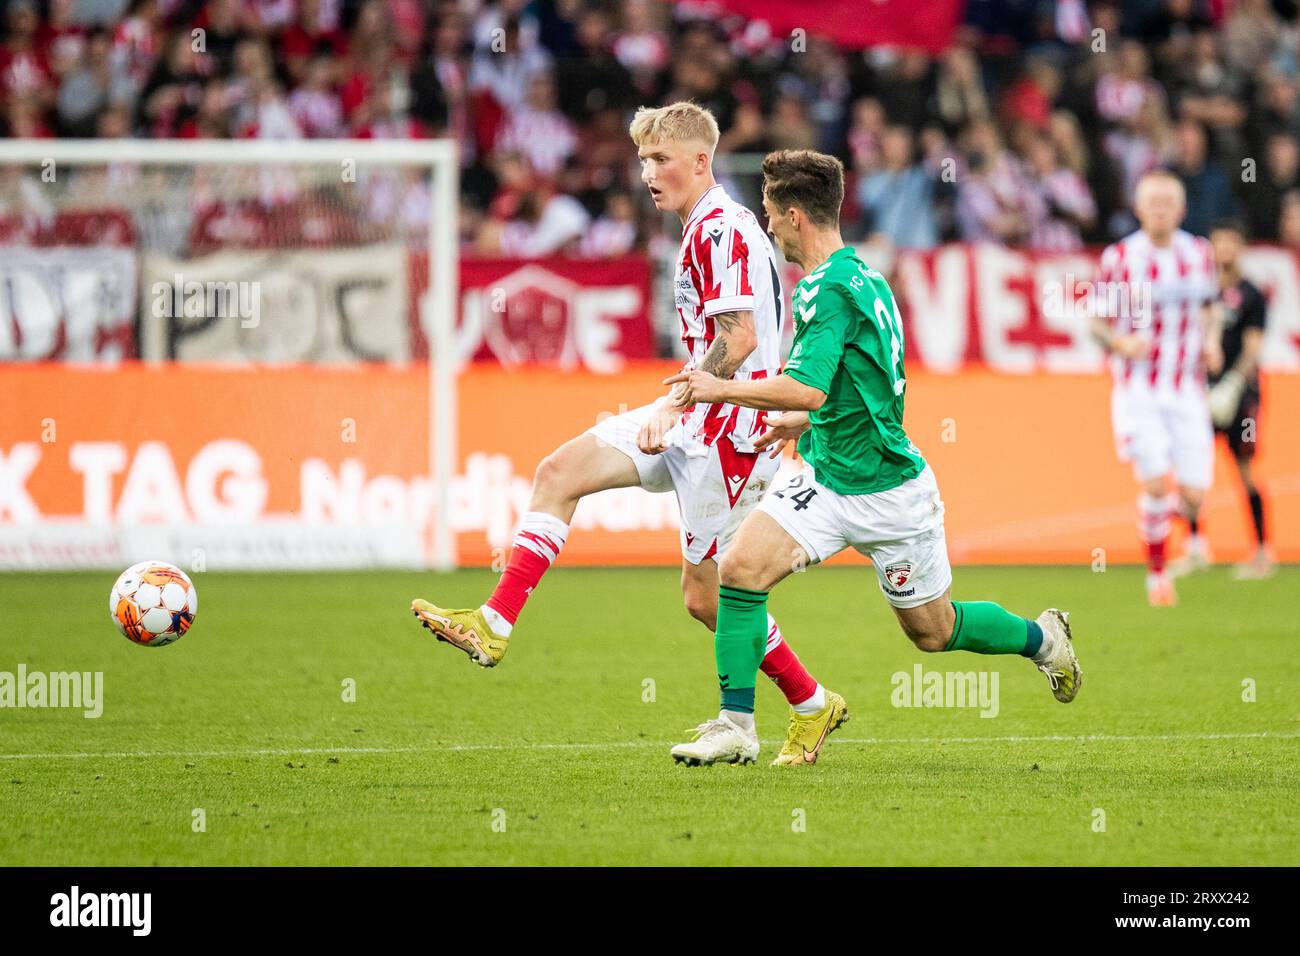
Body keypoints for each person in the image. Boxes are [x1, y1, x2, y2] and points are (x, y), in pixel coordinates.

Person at [410, 103, 842, 755]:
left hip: (727, 434)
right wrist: (678, 406)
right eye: (642, 160)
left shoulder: (720, 230)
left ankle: (800, 705)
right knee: (558, 474)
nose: (648, 172)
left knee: (707, 599)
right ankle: (495, 622)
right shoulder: (705, 227)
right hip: (694, 416)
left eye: (661, 159)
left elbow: (740, 336)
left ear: (701, 161)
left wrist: (676, 405)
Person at [663, 149, 1081, 768]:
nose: (769, 227)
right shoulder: (867, 278)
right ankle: (738, 725)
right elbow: (862, 387)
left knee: (932, 633)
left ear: (796, 216)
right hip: (827, 482)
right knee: (741, 569)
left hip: (890, 492)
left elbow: (809, 385)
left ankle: (1044, 639)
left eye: (773, 215)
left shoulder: (824, 293)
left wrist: (717, 385)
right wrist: (802, 422)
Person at [1091, 170, 1220, 606]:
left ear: (1181, 209)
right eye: (1153, 201)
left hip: (1186, 388)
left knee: (1194, 495)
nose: (1161, 209)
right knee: (1156, 484)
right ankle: (1158, 576)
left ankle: (1170, 532)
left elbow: (1210, 307)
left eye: (1169, 202)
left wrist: (1214, 342)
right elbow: (1095, 320)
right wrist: (1120, 342)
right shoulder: (1120, 257)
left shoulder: (1200, 253)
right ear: (1139, 207)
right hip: (1138, 390)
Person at [1204, 220, 1275, 579]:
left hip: (1240, 394)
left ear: (1240, 247)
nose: (1225, 250)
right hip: (1201, 392)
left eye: (1231, 242)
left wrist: (1232, 383)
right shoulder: (1201, 293)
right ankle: (1195, 547)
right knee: (1194, 468)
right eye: (1219, 242)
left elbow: (1253, 347)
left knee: (1244, 470)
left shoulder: (1251, 295)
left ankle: (1262, 551)